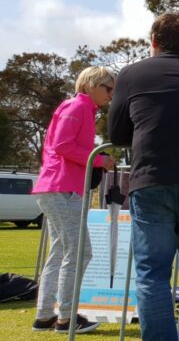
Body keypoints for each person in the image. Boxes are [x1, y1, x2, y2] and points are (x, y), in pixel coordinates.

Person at [108, 11, 179, 341]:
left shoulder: (132, 74)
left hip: (153, 179)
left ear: (154, 42)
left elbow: (116, 133)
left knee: (152, 274)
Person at [31, 66, 117, 334]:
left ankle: (45, 316)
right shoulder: (77, 107)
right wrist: (100, 159)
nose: (111, 95)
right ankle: (66, 317)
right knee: (79, 252)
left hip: (58, 188)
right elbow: (62, 146)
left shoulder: (81, 109)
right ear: (91, 84)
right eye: (107, 88)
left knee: (60, 252)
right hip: (61, 188)